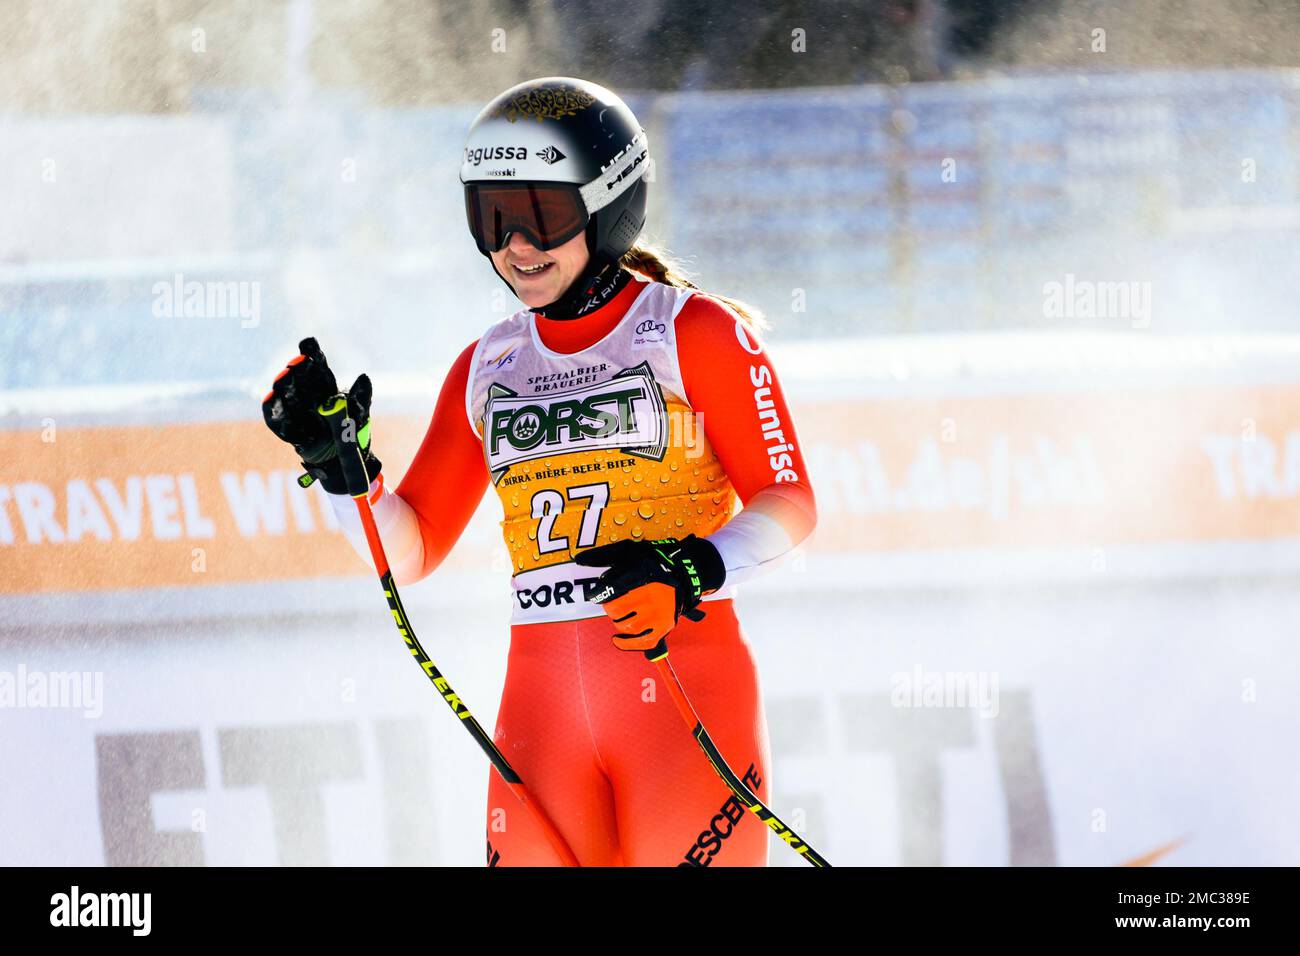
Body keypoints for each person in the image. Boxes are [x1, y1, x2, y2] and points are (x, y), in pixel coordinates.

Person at [262, 77, 817, 867]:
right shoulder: (487, 366)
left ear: (608, 204)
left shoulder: (693, 333)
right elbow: (409, 552)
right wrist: (341, 471)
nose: (516, 246)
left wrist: (689, 569)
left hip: (683, 690)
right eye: (492, 217)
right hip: (542, 716)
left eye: (543, 215)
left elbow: (790, 500)